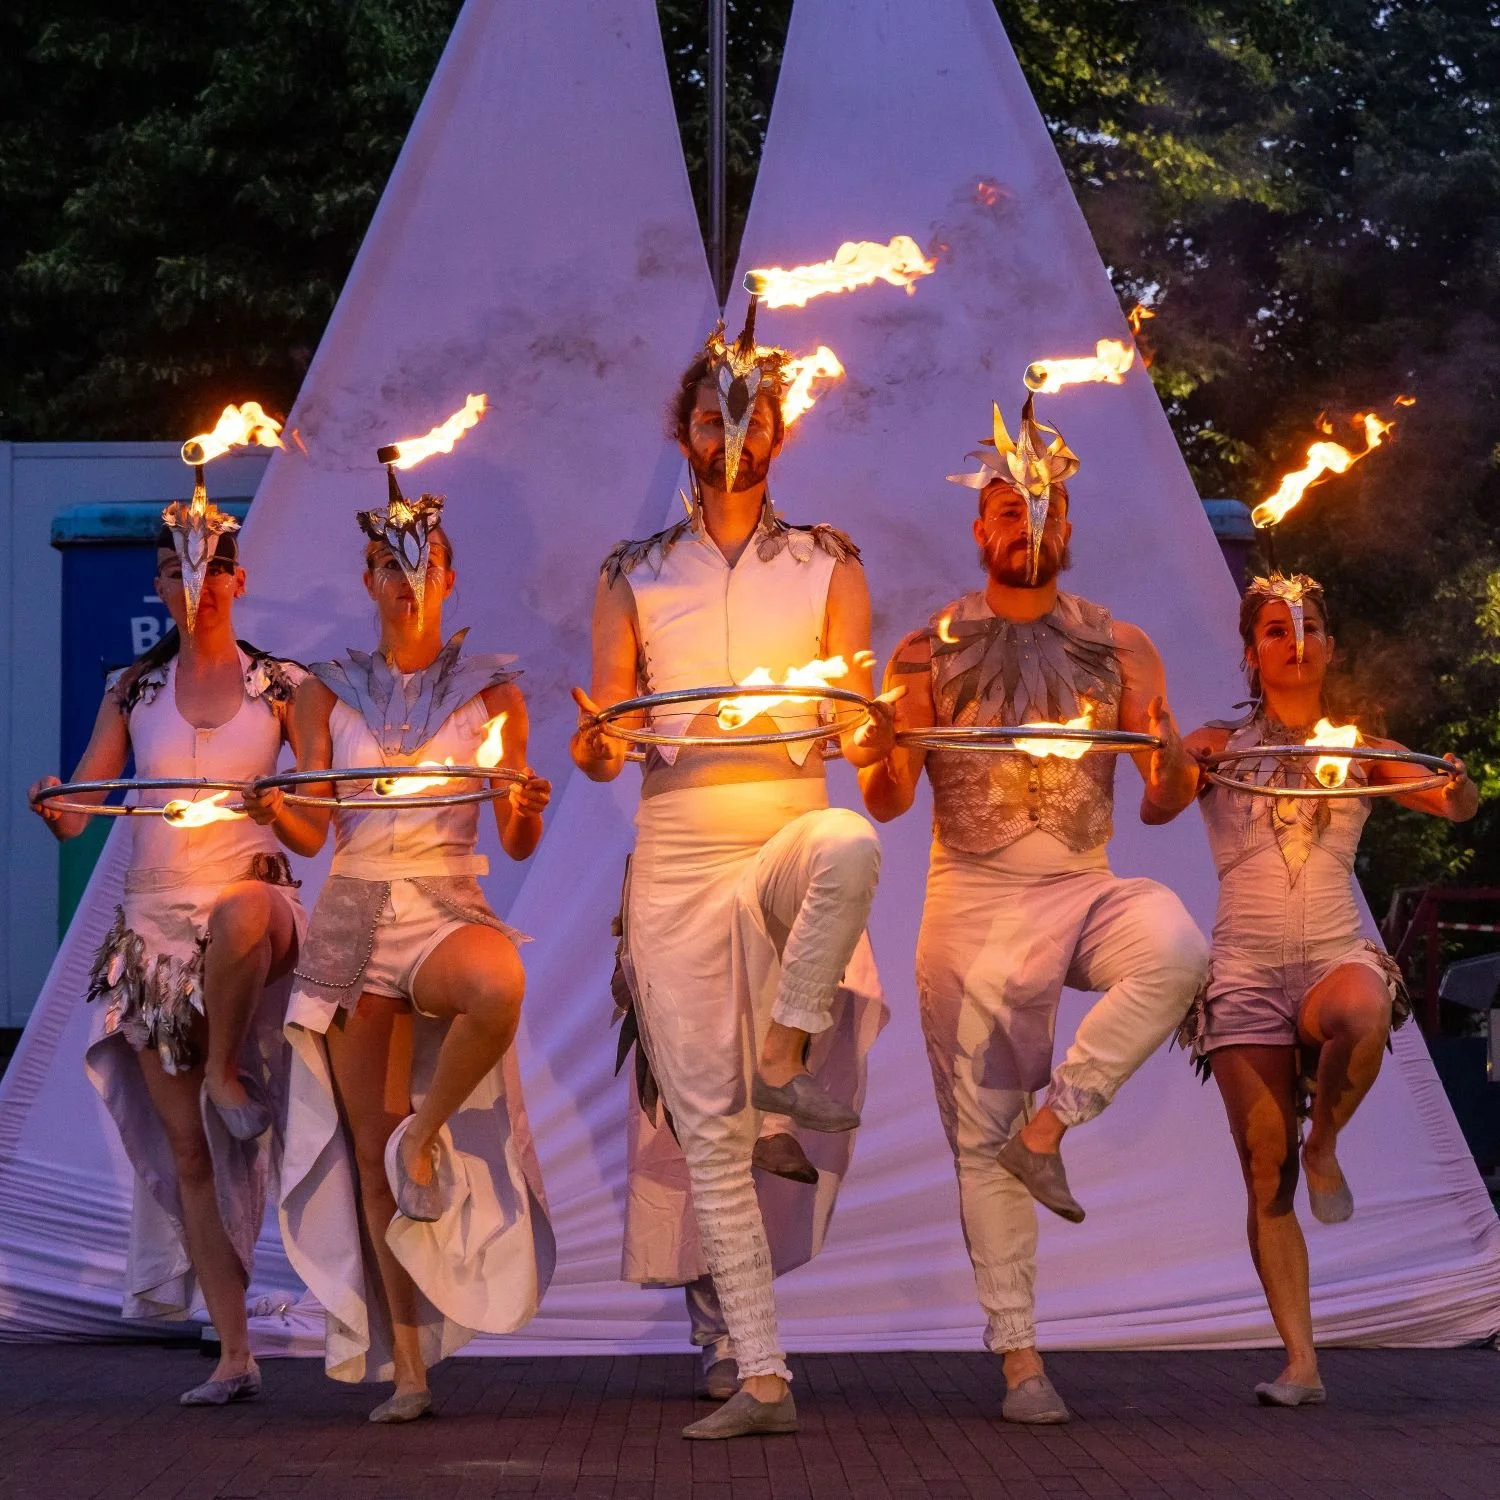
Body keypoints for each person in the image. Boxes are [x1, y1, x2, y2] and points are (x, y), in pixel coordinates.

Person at [572, 309, 895, 1439]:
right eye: (710, 415)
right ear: (686, 433)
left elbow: (859, 727)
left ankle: (788, 1042)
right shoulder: (633, 571)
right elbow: (608, 723)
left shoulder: (828, 561)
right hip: (676, 848)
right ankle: (761, 1377)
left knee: (853, 843)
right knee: (708, 1127)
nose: (729, 433)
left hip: (784, 822)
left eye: (747, 416)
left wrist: (879, 733)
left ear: (777, 435)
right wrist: (598, 742)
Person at [859, 394, 1208, 1424]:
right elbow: (885, 802)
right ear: (981, 526)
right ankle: (1019, 1355)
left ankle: (1055, 1123)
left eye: (1046, 513)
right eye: (1011, 511)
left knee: (1177, 945)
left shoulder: (1123, 646)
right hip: (970, 903)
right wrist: (885, 748)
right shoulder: (926, 649)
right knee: (980, 1132)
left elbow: (1165, 798)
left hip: (1083, 884)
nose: (1029, 528)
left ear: (1068, 528)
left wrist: (1175, 751)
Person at [254, 475, 554, 1422]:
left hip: (445, 903)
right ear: (368, 580)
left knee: (496, 985)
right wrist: (280, 807)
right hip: (352, 913)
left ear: (450, 578)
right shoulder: (321, 693)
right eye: (385, 564)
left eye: (418, 562)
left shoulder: (493, 689)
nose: (402, 580)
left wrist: (524, 805)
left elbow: (516, 839)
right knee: (365, 1138)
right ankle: (411, 1369)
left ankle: (425, 1141)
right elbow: (312, 832)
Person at [1161, 571, 1477, 1406]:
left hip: (1335, 948)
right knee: (1266, 1174)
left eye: (1307, 629)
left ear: (1331, 649)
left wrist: (1454, 777)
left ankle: (1327, 1139)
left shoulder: (1360, 748)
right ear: (1251, 652)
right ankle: (1301, 1363)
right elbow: (1160, 808)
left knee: (1362, 1008)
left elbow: (1459, 808)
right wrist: (1177, 761)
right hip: (1244, 970)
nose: (1293, 641)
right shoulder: (1219, 744)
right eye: (1274, 629)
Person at [29, 484, 305, 1407]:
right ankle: (233, 1350)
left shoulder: (283, 686)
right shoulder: (134, 689)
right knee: (191, 1153)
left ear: (238, 578)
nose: (202, 584)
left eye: (218, 567)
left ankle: (227, 1066)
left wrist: (281, 807)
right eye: (185, 570)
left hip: (251, 917)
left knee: (238, 911)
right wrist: (56, 803)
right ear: (164, 581)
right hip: (152, 935)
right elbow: (82, 812)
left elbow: (314, 828)